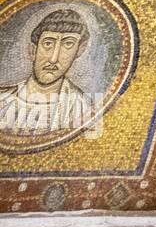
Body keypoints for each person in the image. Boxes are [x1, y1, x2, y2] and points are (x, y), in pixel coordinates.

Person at [0, 8, 95, 136]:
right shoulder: (3, 99)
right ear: (33, 50)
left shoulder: (84, 110)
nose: (53, 59)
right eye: (48, 43)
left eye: (68, 44)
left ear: (79, 50)